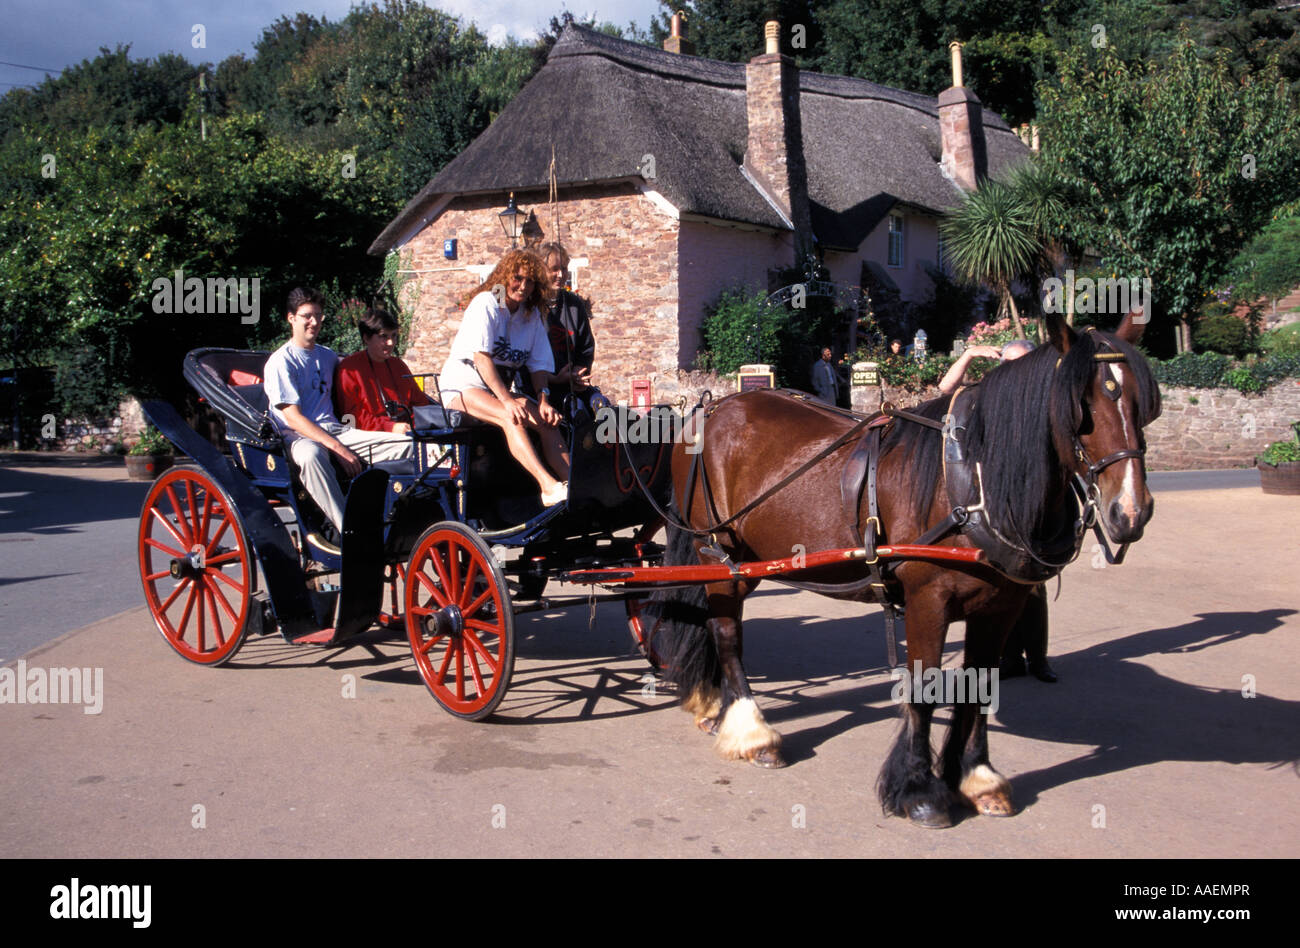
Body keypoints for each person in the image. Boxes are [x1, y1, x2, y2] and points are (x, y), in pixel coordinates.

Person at [937, 336, 1057, 682]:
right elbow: (945, 390)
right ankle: (1008, 658)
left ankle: (1037, 659)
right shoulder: (990, 391)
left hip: (1032, 498)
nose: (1013, 370)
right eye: (1007, 363)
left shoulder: (1043, 395)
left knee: (1033, 584)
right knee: (997, 579)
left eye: (1020, 363)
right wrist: (971, 354)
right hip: (994, 499)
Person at [263, 287, 414, 554]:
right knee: (311, 456)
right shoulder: (281, 362)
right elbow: (293, 418)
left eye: (318, 316)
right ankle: (350, 531)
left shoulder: (327, 356)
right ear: (291, 319)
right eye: (307, 316)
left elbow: (353, 389)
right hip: (296, 437)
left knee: (407, 444)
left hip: (336, 430)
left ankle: (407, 516)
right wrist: (337, 448)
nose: (314, 322)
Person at [439, 249, 570, 506]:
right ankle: (548, 487)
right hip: (463, 384)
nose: (523, 286)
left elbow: (539, 366)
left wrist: (543, 401)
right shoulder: (487, 302)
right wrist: (507, 401)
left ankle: (574, 482)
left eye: (530, 281)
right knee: (510, 417)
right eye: (517, 278)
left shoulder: (531, 315)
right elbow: (482, 359)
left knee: (546, 422)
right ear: (505, 276)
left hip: (497, 390)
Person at [335, 307, 431, 435]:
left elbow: (420, 404)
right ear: (366, 338)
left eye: (394, 336)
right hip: (370, 436)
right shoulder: (350, 369)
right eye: (383, 336)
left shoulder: (398, 365)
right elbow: (351, 417)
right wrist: (389, 427)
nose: (391, 342)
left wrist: (412, 425)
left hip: (406, 431)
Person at [537, 242, 596, 409]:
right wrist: (552, 378)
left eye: (564, 268)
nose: (560, 274)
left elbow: (586, 347)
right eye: (554, 268)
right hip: (539, 391)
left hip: (572, 389)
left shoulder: (574, 303)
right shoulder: (531, 306)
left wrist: (578, 373)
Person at [938, 339, 1035, 394]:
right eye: (1008, 363)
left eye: (1021, 363)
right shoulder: (993, 390)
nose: (1014, 368)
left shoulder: (1038, 390)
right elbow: (946, 388)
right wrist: (969, 354)